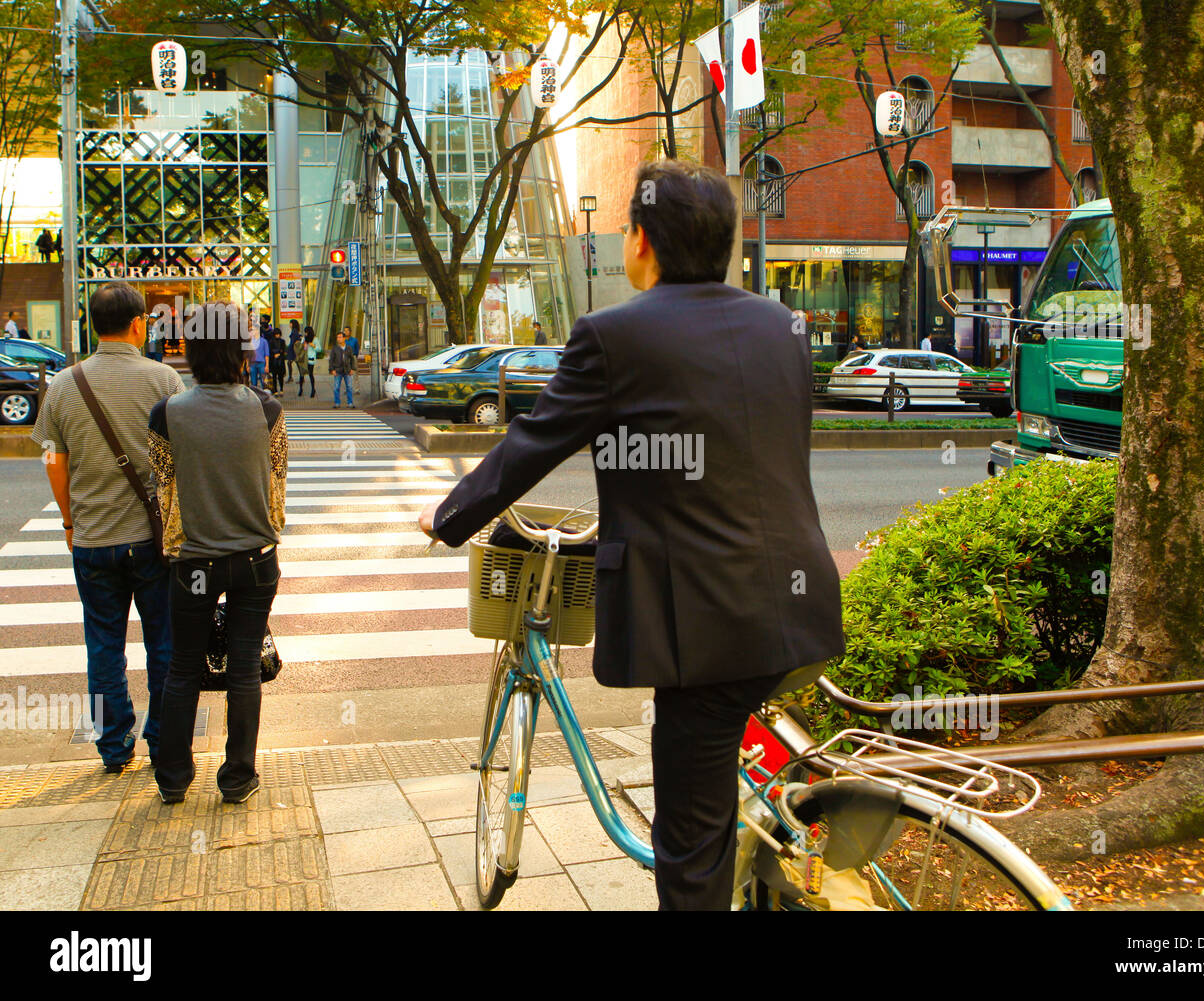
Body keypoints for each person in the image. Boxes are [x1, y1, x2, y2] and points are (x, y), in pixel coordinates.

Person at [418, 160, 844, 910]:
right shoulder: (782, 326)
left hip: (707, 635)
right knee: (722, 799)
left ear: (642, 239)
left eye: (624, 225)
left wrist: (448, 514)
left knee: (688, 859)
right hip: (800, 606)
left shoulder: (615, 335)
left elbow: (533, 441)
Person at [31, 281, 185, 772]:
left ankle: (114, 748)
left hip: (94, 540)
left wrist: (70, 522)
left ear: (92, 325)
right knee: (163, 645)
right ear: (139, 323)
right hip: (153, 541)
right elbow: (181, 458)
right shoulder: (164, 381)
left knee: (102, 647)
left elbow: (54, 461)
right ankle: (163, 743)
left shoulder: (62, 384)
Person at [148, 302, 286, 804]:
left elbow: (164, 486)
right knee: (245, 665)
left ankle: (173, 779)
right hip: (255, 558)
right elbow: (278, 484)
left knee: (182, 666)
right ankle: (236, 779)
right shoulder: (266, 408)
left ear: (192, 350)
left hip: (194, 562)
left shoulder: (167, 413)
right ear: (240, 350)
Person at [329, 331, 355, 408]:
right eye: (337, 337)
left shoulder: (348, 348)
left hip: (347, 370)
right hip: (338, 370)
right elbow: (331, 360)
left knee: (349, 387)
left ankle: (350, 402)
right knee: (336, 387)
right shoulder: (335, 348)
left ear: (344, 338)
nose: (338, 339)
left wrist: (352, 369)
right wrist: (332, 369)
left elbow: (352, 359)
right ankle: (337, 403)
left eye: (340, 337)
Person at [297, 327, 317, 397]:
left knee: (310, 374)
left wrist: (313, 345)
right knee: (301, 374)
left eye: (306, 332)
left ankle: (313, 389)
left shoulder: (315, 339)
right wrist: (303, 344)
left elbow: (319, 349)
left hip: (311, 359)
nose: (305, 334)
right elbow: (300, 348)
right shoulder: (304, 339)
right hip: (304, 359)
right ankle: (300, 389)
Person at [267, 326, 287, 396]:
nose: (277, 335)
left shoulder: (282, 341)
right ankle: (275, 390)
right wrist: (274, 355)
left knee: (281, 377)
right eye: (276, 334)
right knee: (274, 377)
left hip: (280, 361)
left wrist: (280, 354)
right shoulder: (271, 342)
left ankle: (281, 389)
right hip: (273, 362)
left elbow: (284, 351)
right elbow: (269, 352)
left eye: (278, 334)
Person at [287, 319, 301, 384]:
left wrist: (288, 348)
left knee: (291, 363)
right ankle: (300, 377)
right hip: (294, 349)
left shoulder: (294, 332)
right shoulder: (295, 331)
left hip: (293, 350)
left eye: (290, 323)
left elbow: (293, 342)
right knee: (295, 363)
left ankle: (291, 377)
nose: (289, 325)